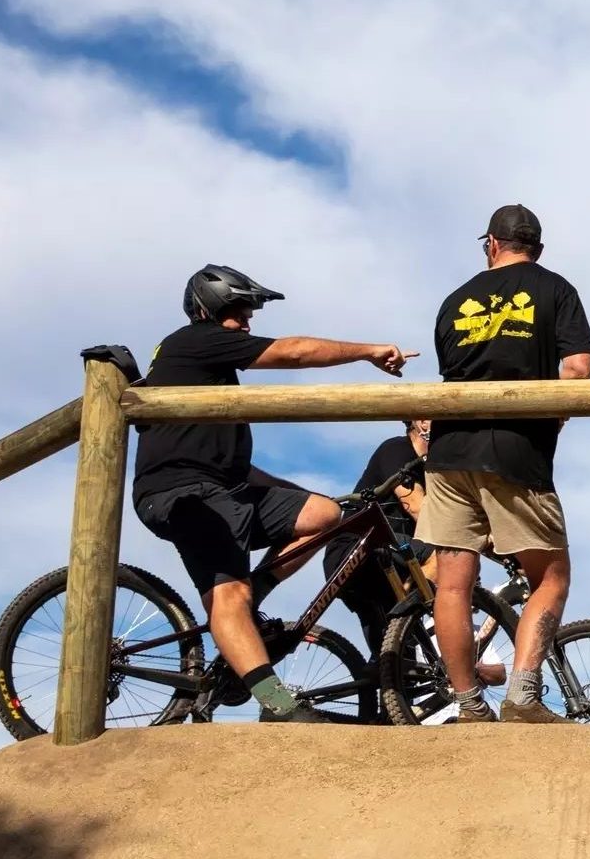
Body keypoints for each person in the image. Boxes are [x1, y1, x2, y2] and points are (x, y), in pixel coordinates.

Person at [133, 264, 417, 724]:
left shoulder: (207, 373)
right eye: (239, 313)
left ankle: (251, 603)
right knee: (228, 594)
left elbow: (234, 465)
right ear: (211, 310)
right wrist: (368, 351)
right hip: (180, 495)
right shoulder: (195, 341)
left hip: (222, 489)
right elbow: (297, 352)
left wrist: (294, 493)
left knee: (323, 514)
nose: (247, 324)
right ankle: (278, 703)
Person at [416, 204, 590, 724]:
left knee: (451, 584)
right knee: (552, 576)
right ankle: (521, 696)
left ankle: (469, 705)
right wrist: (555, 414)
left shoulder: (454, 301)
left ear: (491, 244)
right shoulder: (556, 288)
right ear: (535, 247)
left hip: (448, 454)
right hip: (516, 449)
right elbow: (578, 366)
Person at [323, 420, 435, 657]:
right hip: (359, 551)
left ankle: (386, 663)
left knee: (398, 668)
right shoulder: (396, 450)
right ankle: (415, 617)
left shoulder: (436, 470)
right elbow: (417, 506)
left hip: (394, 560)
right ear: (421, 422)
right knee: (448, 556)